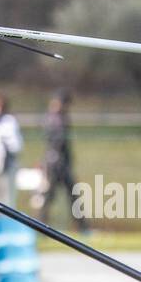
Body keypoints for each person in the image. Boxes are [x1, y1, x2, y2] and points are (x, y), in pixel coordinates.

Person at [41, 90, 88, 232]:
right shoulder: (54, 119)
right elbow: (56, 142)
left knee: (71, 196)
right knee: (49, 196)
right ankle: (41, 226)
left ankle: (83, 227)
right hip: (56, 164)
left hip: (63, 163)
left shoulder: (61, 117)